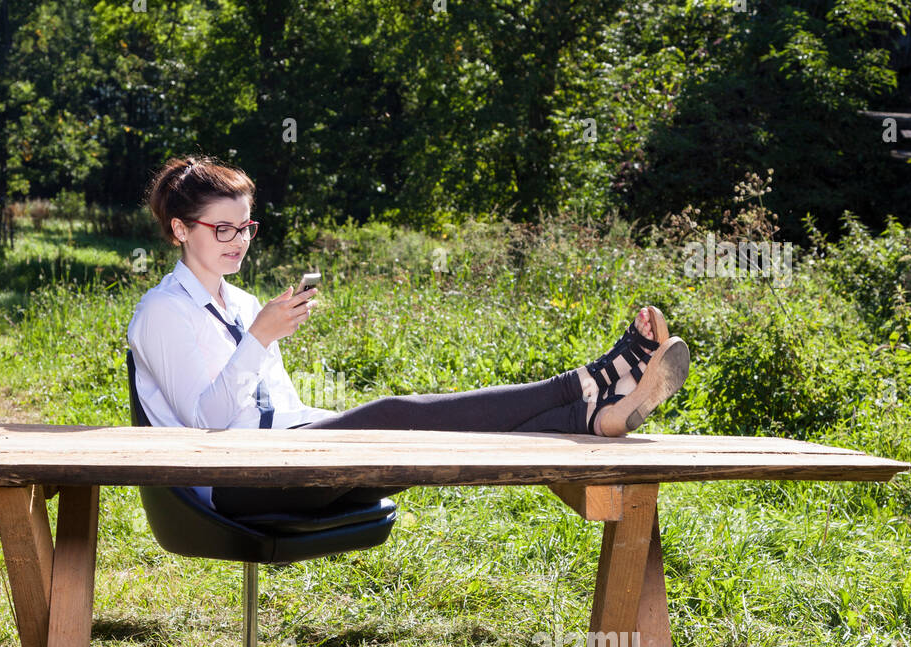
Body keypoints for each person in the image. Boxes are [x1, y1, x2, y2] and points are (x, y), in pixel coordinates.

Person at [126, 155, 690, 519]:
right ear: (179, 229)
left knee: (414, 429)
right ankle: (596, 381)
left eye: (246, 227)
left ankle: (591, 415)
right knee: (397, 411)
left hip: (287, 450)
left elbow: (283, 409)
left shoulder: (243, 302)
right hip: (235, 483)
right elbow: (205, 429)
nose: (239, 241)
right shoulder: (162, 314)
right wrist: (259, 339)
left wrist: (337, 420)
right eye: (222, 229)